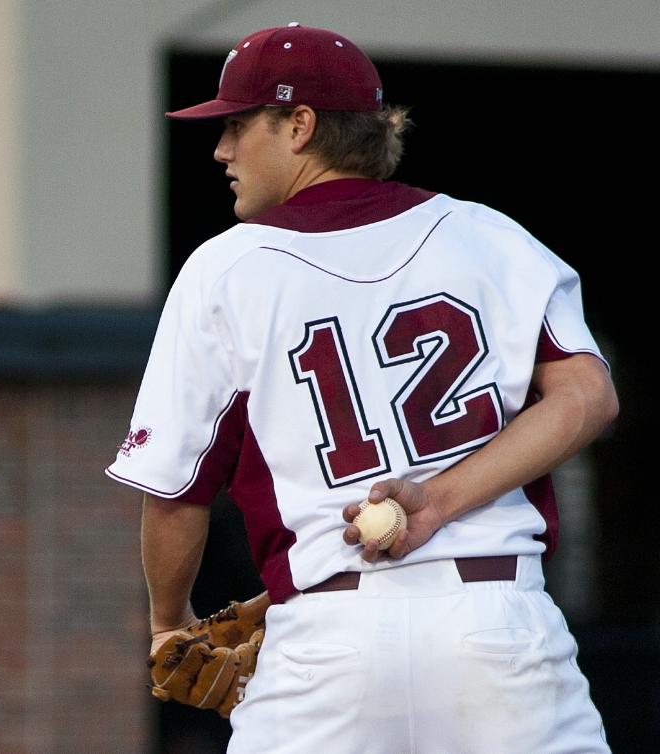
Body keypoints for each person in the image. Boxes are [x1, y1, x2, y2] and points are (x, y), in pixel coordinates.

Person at [106, 24, 618, 754]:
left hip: (327, 645)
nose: (221, 150)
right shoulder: (488, 236)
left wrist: (170, 623)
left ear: (299, 125)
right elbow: (587, 396)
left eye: (237, 125)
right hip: (496, 631)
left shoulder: (225, 269)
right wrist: (437, 501)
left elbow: (177, 495)